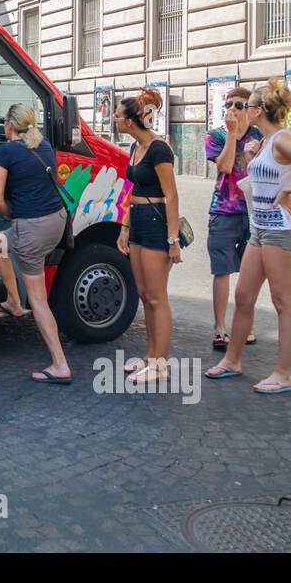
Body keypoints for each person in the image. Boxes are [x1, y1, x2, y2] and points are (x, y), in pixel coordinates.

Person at [204, 78, 291, 394]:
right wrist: (251, 158)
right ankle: (232, 361)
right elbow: (260, 180)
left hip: (281, 231)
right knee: (244, 297)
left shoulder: (282, 141)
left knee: (283, 302)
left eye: (246, 106)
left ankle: (283, 374)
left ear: (259, 110)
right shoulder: (264, 143)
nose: (241, 111)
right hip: (258, 229)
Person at [0, 103, 72, 385]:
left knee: (38, 300)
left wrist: (14, 217)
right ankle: (12, 300)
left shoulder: (6, 151)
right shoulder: (44, 145)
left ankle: (60, 364)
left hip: (31, 229)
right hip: (55, 221)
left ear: (8, 126)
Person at [114, 88, 181, 385]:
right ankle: (151, 356)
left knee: (157, 296)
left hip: (156, 223)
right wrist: (124, 227)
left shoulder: (158, 149)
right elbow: (134, 190)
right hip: (138, 221)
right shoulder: (135, 148)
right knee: (144, 293)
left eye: (117, 114)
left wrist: (172, 238)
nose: (114, 118)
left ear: (130, 120)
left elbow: (171, 194)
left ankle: (160, 364)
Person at [205, 87, 261, 350]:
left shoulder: (260, 136)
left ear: (250, 109)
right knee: (222, 271)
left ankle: (244, 326)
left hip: (252, 212)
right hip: (223, 212)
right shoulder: (214, 136)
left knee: (250, 273)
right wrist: (231, 134)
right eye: (229, 105)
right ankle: (220, 329)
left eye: (240, 105)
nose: (234, 109)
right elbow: (225, 166)